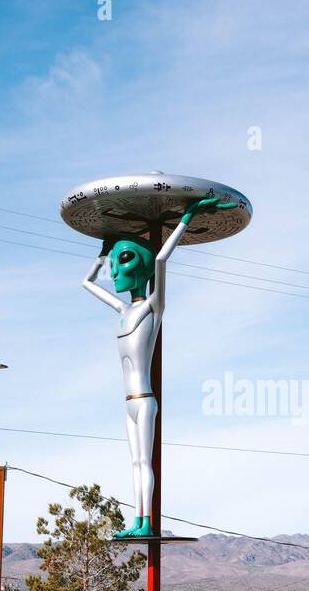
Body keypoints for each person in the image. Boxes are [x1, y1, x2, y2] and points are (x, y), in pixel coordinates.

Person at [79, 196, 237, 537]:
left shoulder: (153, 307)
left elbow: (163, 258)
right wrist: (103, 254)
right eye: (115, 265)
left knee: (144, 462)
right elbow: (86, 284)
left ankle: (146, 521)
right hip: (128, 403)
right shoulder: (123, 311)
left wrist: (187, 217)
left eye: (125, 261)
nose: (116, 273)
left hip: (145, 399)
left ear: (142, 267)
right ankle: (136, 522)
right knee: (135, 462)